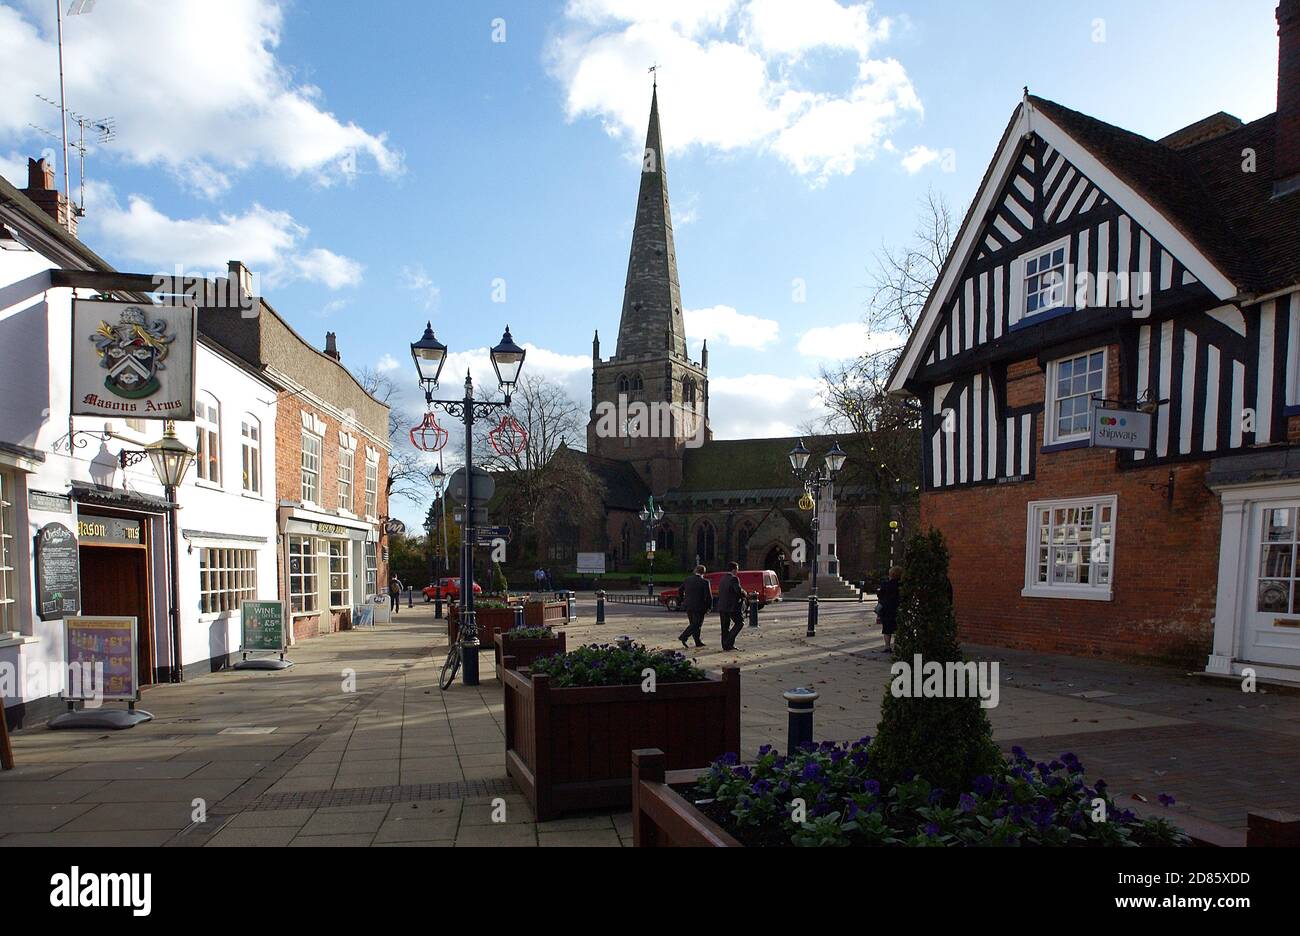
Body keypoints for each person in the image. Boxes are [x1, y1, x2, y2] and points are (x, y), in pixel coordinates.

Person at [677, 564, 712, 649]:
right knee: (697, 624)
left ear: (695, 571)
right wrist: (709, 607)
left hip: (688, 605)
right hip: (699, 606)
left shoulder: (688, 579)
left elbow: (680, 589)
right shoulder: (705, 582)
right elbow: (708, 596)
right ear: (704, 572)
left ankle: (697, 641)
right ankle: (684, 636)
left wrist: (682, 599)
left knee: (693, 623)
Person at [717, 561, 746, 651]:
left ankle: (726, 646)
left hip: (722, 606)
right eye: (737, 569)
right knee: (740, 623)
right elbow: (738, 590)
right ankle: (728, 642)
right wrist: (744, 593)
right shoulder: (734, 579)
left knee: (724, 627)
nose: (737, 571)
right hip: (732, 606)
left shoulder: (723, 578)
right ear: (734, 569)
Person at [875, 565, 902, 653]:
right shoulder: (901, 585)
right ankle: (898, 646)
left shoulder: (885, 584)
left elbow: (880, 595)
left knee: (886, 628)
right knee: (898, 628)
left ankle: (887, 646)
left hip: (886, 609)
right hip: (898, 608)